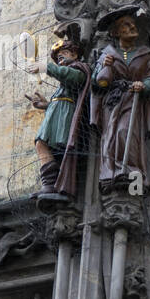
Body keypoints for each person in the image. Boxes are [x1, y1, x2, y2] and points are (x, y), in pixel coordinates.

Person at [93, 6, 150, 191]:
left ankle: (132, 171)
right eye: (126, 25)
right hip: (112, 103)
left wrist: (144, 85)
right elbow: (98, 83)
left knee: (125, 132)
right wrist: (104, 67)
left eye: (132, 23)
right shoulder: (107, 54)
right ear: (116, 33)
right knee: (110, 137)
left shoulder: (145, 54)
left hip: (133, 100)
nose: (132, 27)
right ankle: (111, 172)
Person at [29, 36, 90, 198]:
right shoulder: (63, 81)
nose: (60, 57)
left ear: (74, 55)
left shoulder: (79, 69)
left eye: (64, 52)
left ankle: (56, 185)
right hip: (57, 114)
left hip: (66, 116)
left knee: (51, 146)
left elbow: (72, 77)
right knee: (42, 144)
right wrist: (46, 105)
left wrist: (45, 67)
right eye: (57, 57)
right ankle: (50, 184)